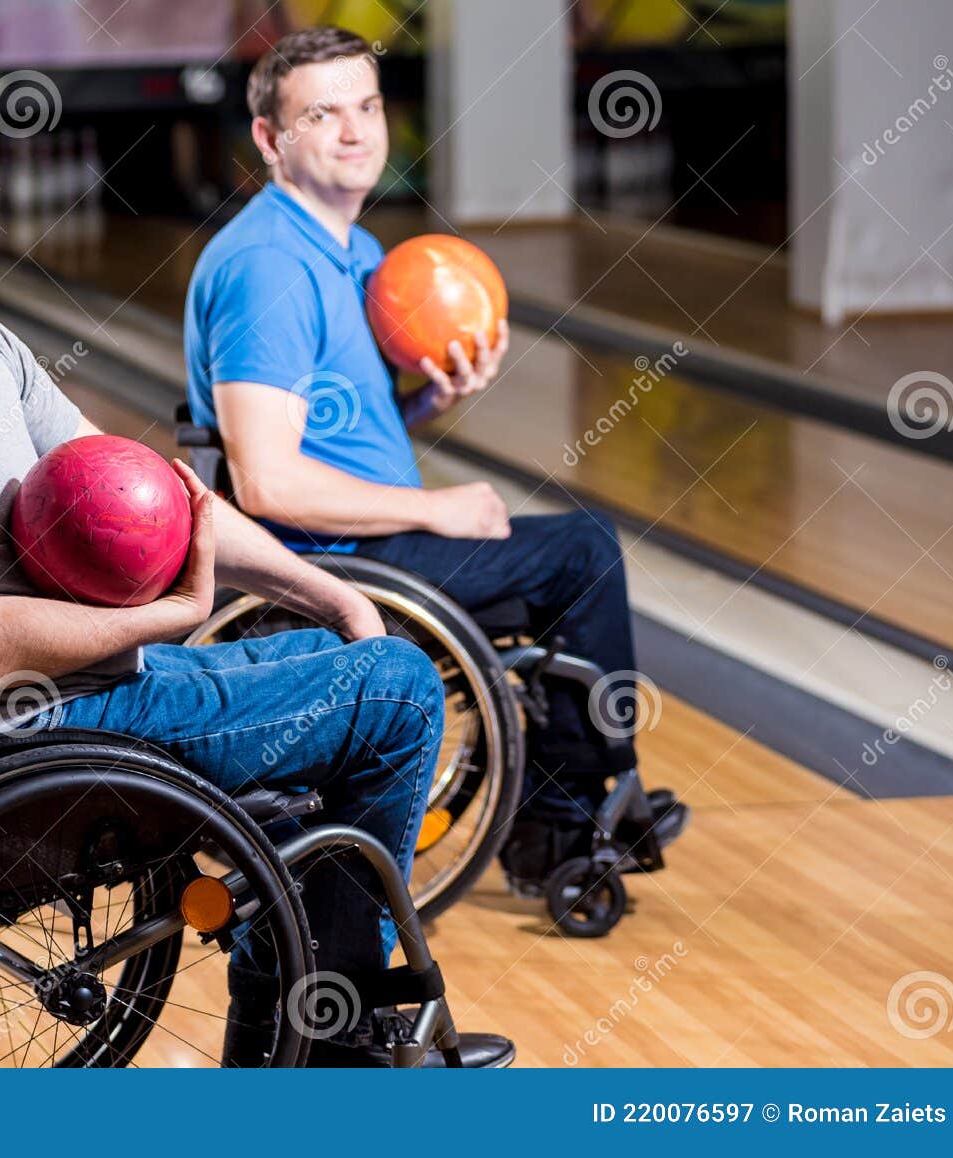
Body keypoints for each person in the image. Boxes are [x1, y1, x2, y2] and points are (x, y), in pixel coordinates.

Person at [0, 93, 512, 1067]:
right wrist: (175, 613)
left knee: (335, 658)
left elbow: (166, 499)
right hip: (33, 738)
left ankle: (297, 1014)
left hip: (47, 715)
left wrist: (327, 594)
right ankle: (330, 1042)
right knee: (399, 690)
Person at [183, 26, 688, 896]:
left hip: (363, 545)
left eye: (369, 106)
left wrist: (425, 403)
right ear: (270, 140)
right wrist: (432, 508)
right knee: (582, 553)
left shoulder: (356, 254)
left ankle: (562, 814)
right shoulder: (270, 265)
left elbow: (326, 429)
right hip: (324, 563)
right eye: (323, 113)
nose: (356, 131)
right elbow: (266, 480)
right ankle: (567, 821)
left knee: (567, 553)